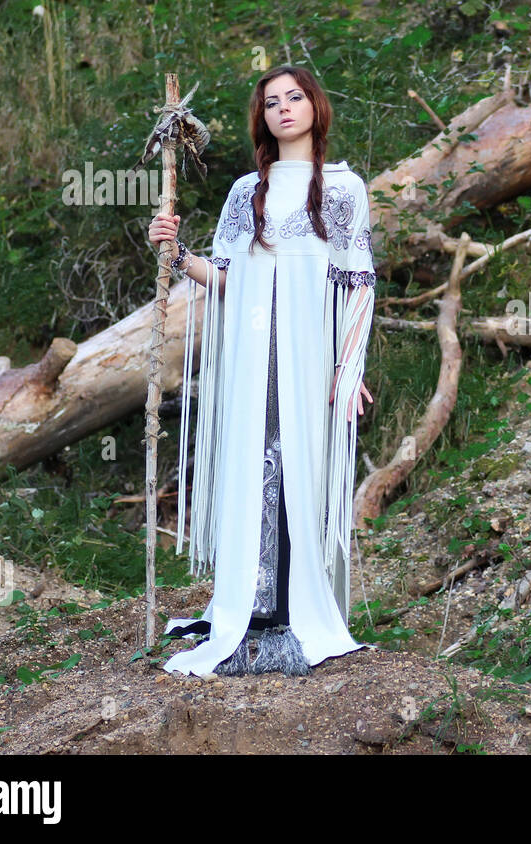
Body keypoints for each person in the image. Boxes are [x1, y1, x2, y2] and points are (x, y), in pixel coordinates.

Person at [147, 65, 377, 676]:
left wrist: (348, 367)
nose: (283, 109)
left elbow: (358, 284)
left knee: (299, 466)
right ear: (262, 117)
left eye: (294, 98)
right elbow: (225, 280)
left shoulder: (344, 190)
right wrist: (176, 254)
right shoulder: (245, 191)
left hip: (307, 358)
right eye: (271, 102)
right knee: (256, 464)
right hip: (254, 358)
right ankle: (250, 605)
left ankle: (296, 610)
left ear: (315, 107)